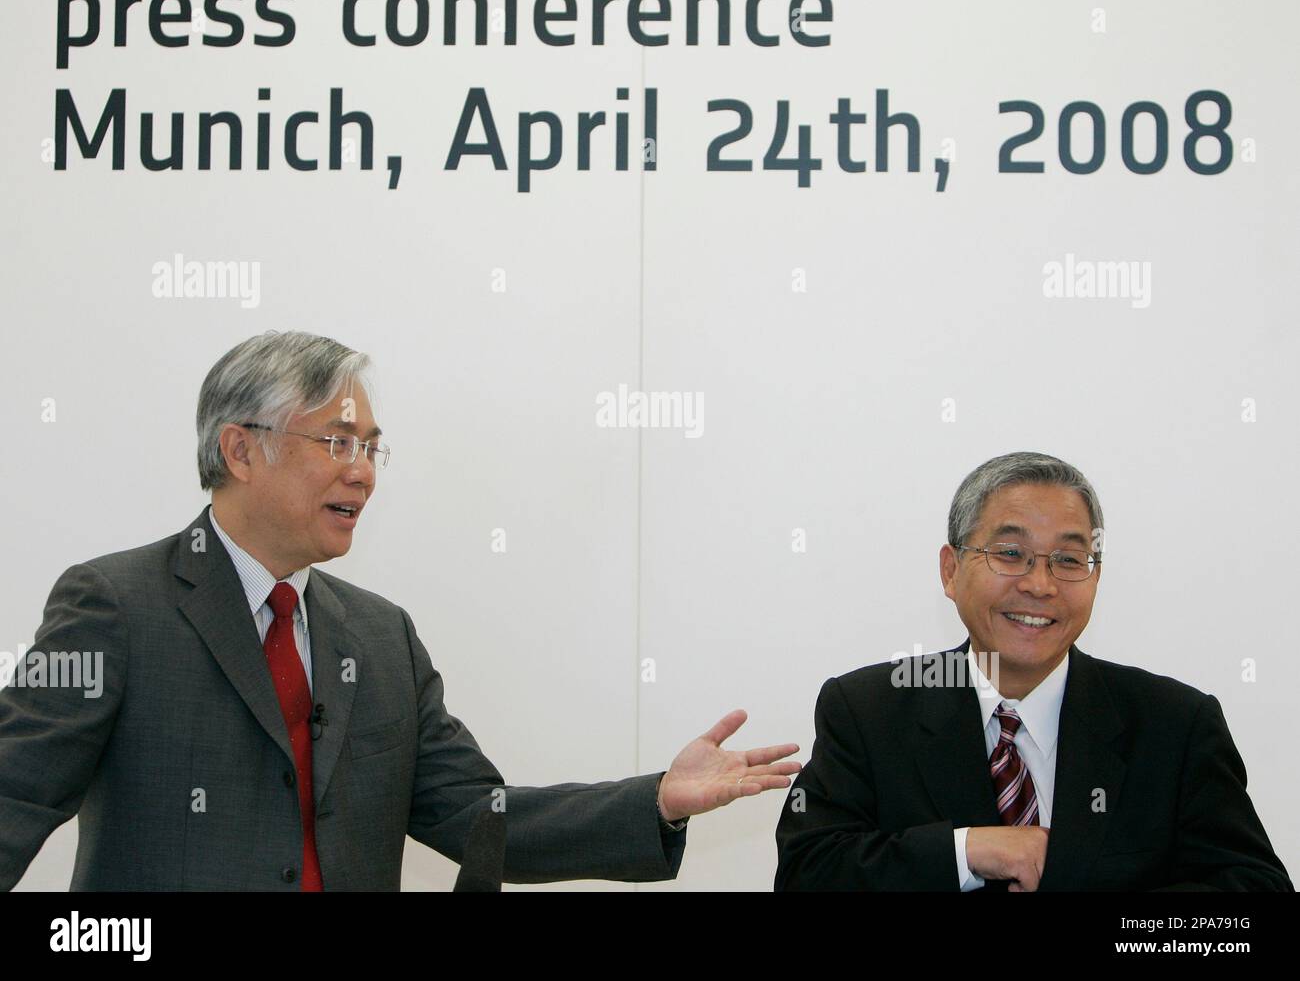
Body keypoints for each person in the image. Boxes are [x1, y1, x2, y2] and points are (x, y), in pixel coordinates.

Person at [0, 330, 799, 891]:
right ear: (240, 450)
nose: (364, 473)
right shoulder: (116, 606)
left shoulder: (379, 637)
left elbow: (479, 819)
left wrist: (656, 798)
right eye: (336, 443)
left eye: (371, 447)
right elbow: (13, 794)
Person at [774, 452, 1291, 892]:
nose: (1040, 585)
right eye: (1012, 553)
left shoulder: (1175, 723)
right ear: (950, 571)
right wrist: (966, 851)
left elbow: (1253, 889)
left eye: (1069, 559)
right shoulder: (867, 709)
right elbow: (807, 873)